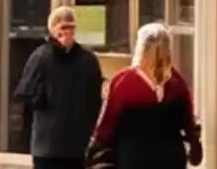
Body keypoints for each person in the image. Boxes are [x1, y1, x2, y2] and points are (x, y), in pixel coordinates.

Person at [85, 23, 201, 169]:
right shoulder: (176, 82)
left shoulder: (124, 81)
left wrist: (93, 149)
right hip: (171, 156)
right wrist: (193, 142)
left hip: (134, 156)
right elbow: (188, 120)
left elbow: (108, 123)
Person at [15, 6, 104, 169]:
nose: (67, 33)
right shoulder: (41, 57)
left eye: (71, 27)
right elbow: (27, 94)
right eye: (63, 27)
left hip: (76, 145)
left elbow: (95, 100)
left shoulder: (88, 61)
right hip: (49, 144)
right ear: (53, 30)